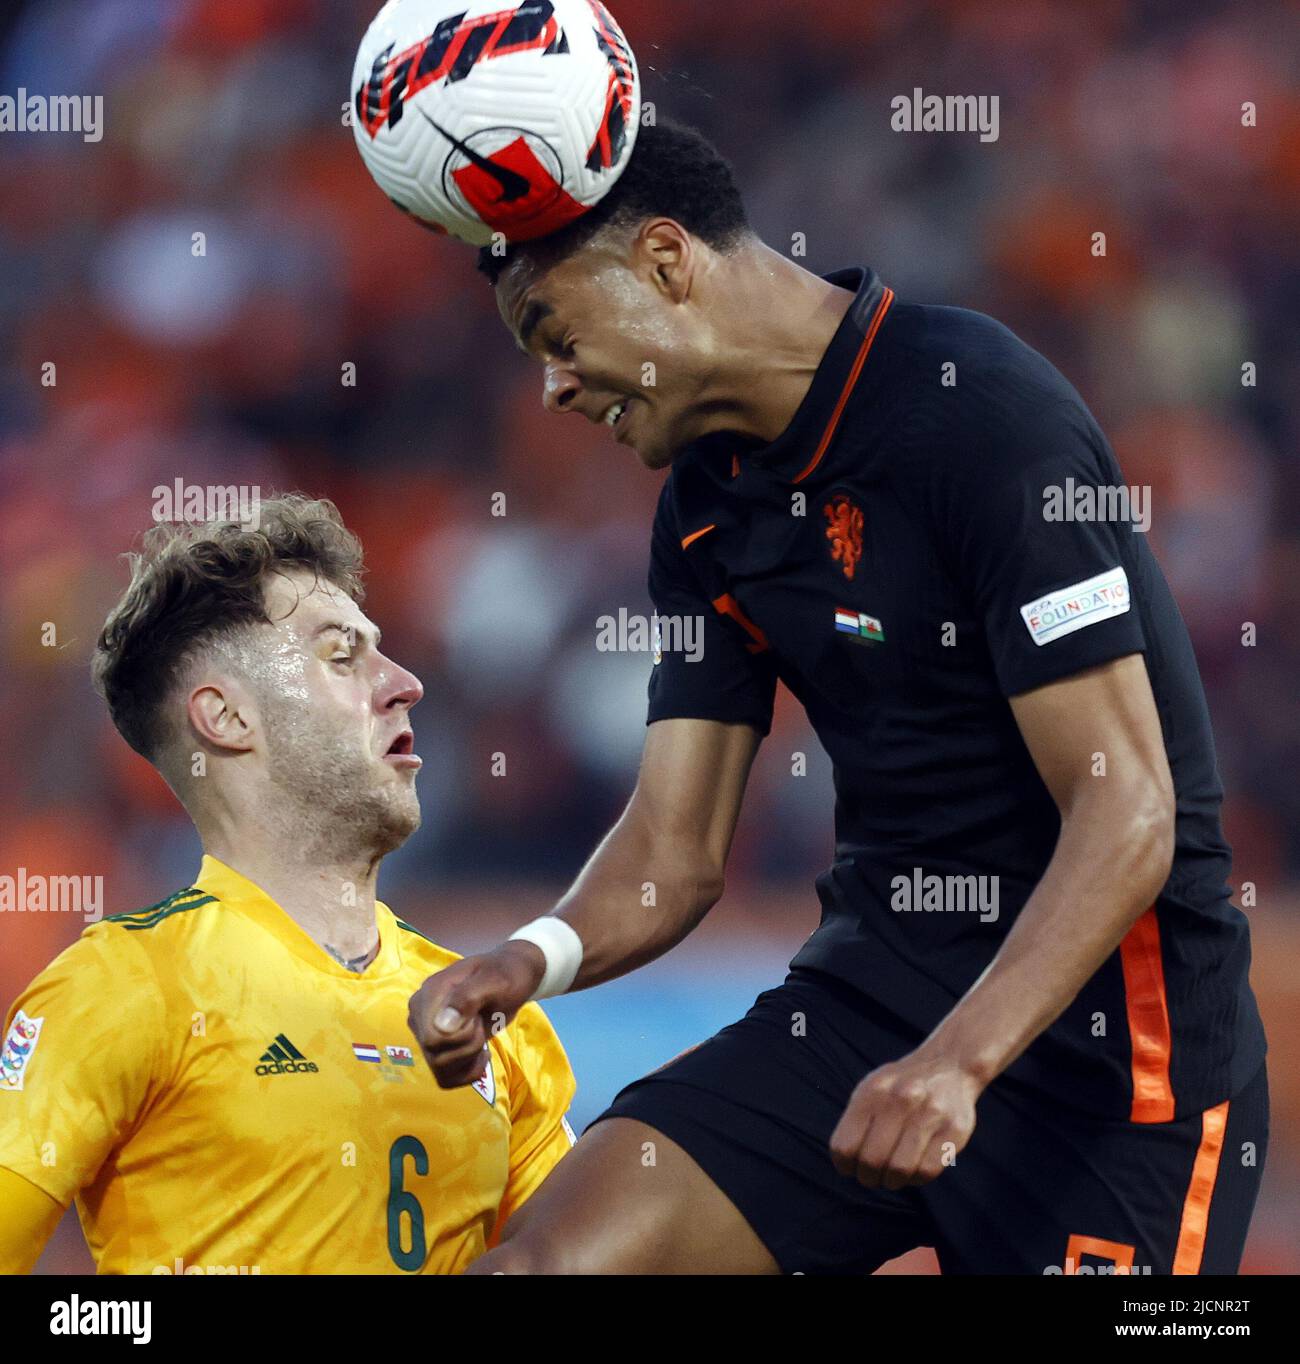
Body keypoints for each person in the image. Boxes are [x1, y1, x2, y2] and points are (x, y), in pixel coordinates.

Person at [408, 120, 1268, 1275]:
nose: (554, 385)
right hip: (869, 1007)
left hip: (1115, 1066)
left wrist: (959, 1062)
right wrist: (531, 958)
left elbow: (1128, 812)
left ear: (666, 260)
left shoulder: (983, 415)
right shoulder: (705, 509)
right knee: (542, 1266)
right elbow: (675, 844)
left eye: (551, 333)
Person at [0, 495, 575, 1275]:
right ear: (227, 718)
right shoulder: (125, 990)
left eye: (384, 651)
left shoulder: (492, 1019)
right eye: (343, 656)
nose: (405, 683)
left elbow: (580, 1259)